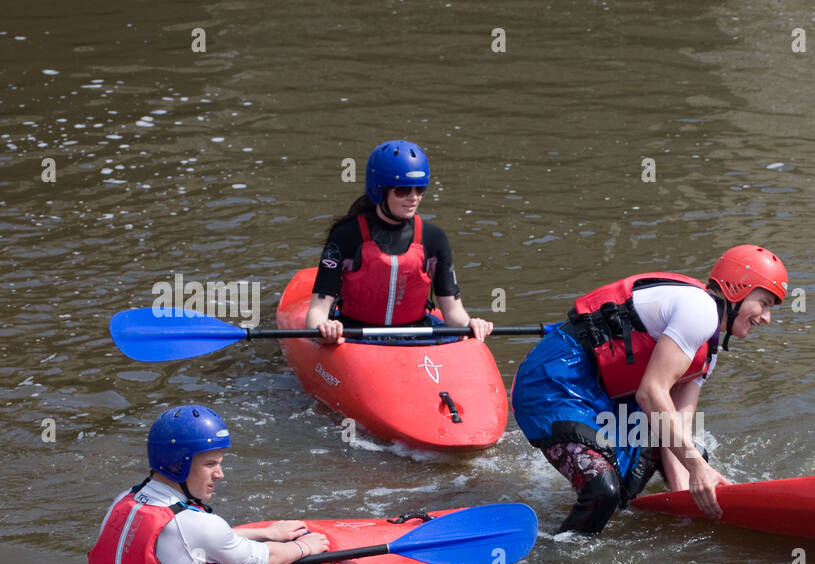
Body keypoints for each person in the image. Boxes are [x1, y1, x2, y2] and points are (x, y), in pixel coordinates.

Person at [510, 245, 788, 534]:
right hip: (552, 381)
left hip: (601, 392)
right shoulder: (700, 311)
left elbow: (676, 424)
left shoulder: (710, 350)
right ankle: (558, 560)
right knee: (603, 491)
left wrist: (687, 501)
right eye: (764, 303)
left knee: (675, 461)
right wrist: (695, 467)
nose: (766, 318)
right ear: (737, 290)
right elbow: (651, 393)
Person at [88, 406, 330, 564]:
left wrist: (265, 532)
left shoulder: (125, 500)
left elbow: (185, 541)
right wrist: (305, 547)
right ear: (177, 464)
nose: (220, 474)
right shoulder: (197, 524)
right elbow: (267, 559)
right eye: (210, 464)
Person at [304, 140, 492, 343]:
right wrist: (324, 332)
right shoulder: (345, 235)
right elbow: (317, 311)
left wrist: (470, 325)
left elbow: (454, 313)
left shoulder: (434, 238)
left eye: (420, 189)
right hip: (355, 336)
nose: (413, 198)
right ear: (379, 190)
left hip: (416, 337)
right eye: (402, 190)